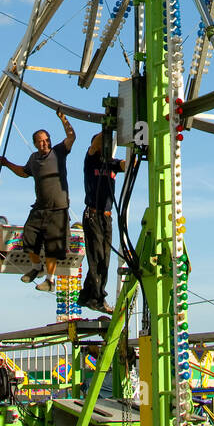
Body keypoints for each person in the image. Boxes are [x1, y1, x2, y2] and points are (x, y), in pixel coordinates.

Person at [0, 109, 76, 294]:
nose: (44, 143)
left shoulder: (58, 152)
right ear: (35, 144)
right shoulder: (34, 159)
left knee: (52, 247)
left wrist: (63, 118)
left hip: (58, 208)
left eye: (46, 140)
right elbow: (24, 173)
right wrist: (7, 163)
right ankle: (37, 267)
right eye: (40, 141)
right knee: (29, 237)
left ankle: (50, 281)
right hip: (40, 208)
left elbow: (72, 137)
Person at [77, 130, 125, 314]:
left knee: (104, 257)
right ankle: (97, 298)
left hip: (107, 216)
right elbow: (95, 144)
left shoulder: (111, 164)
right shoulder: (90, 161)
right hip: (93, 214)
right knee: (97, 256)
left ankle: (88, 295)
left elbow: (125, 165)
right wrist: (108, 128)